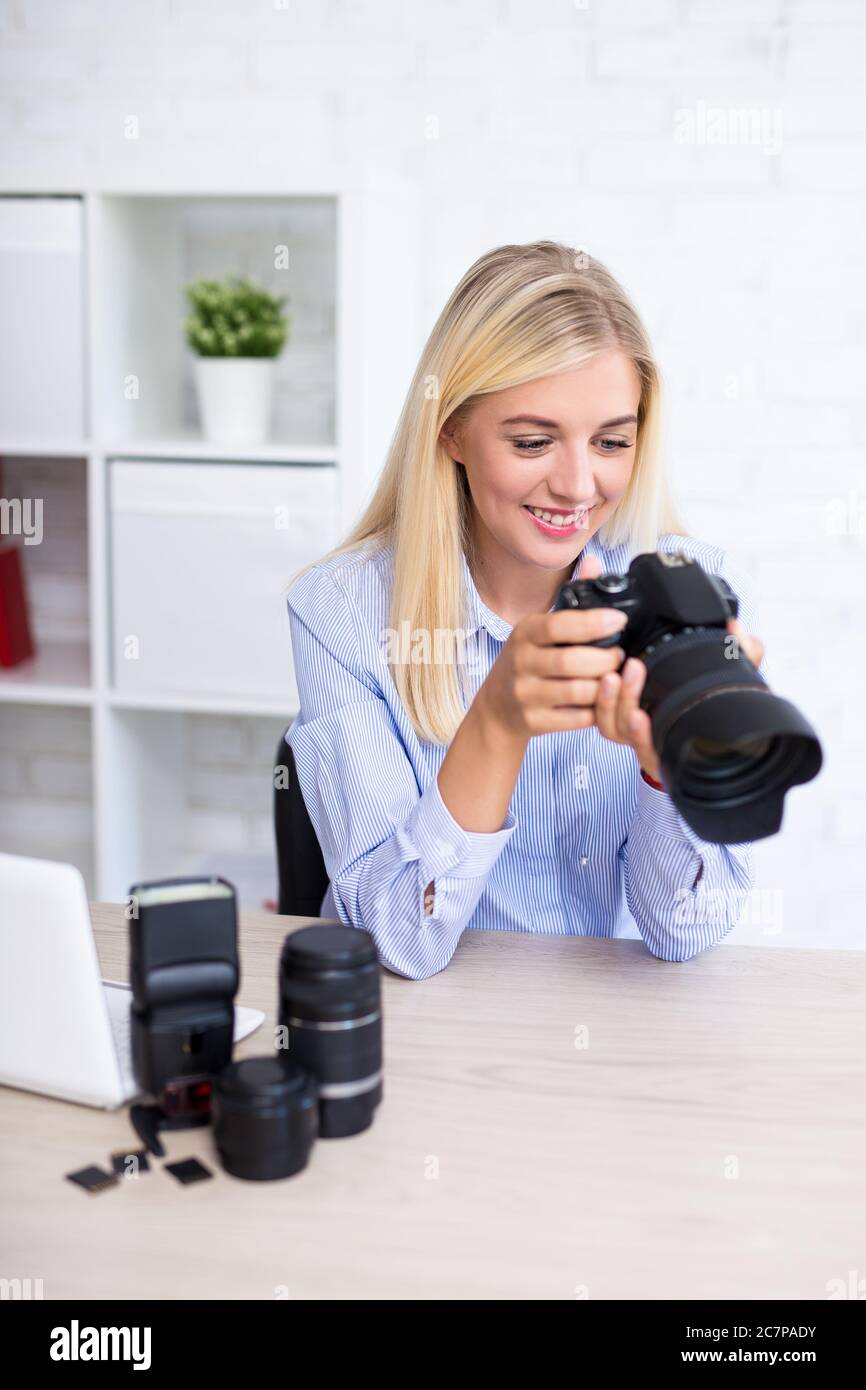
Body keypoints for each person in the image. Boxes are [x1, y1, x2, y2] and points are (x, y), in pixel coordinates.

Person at [285, 241, 766, 980]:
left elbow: (684, 932)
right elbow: (396, 939)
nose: (577, 485)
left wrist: (668, 768)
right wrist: (499, 720)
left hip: (600, 1029)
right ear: (449, 429)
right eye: (534, 440)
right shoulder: (343, 610)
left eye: (612, 441)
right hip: (434, 1030)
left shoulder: (690, 588)